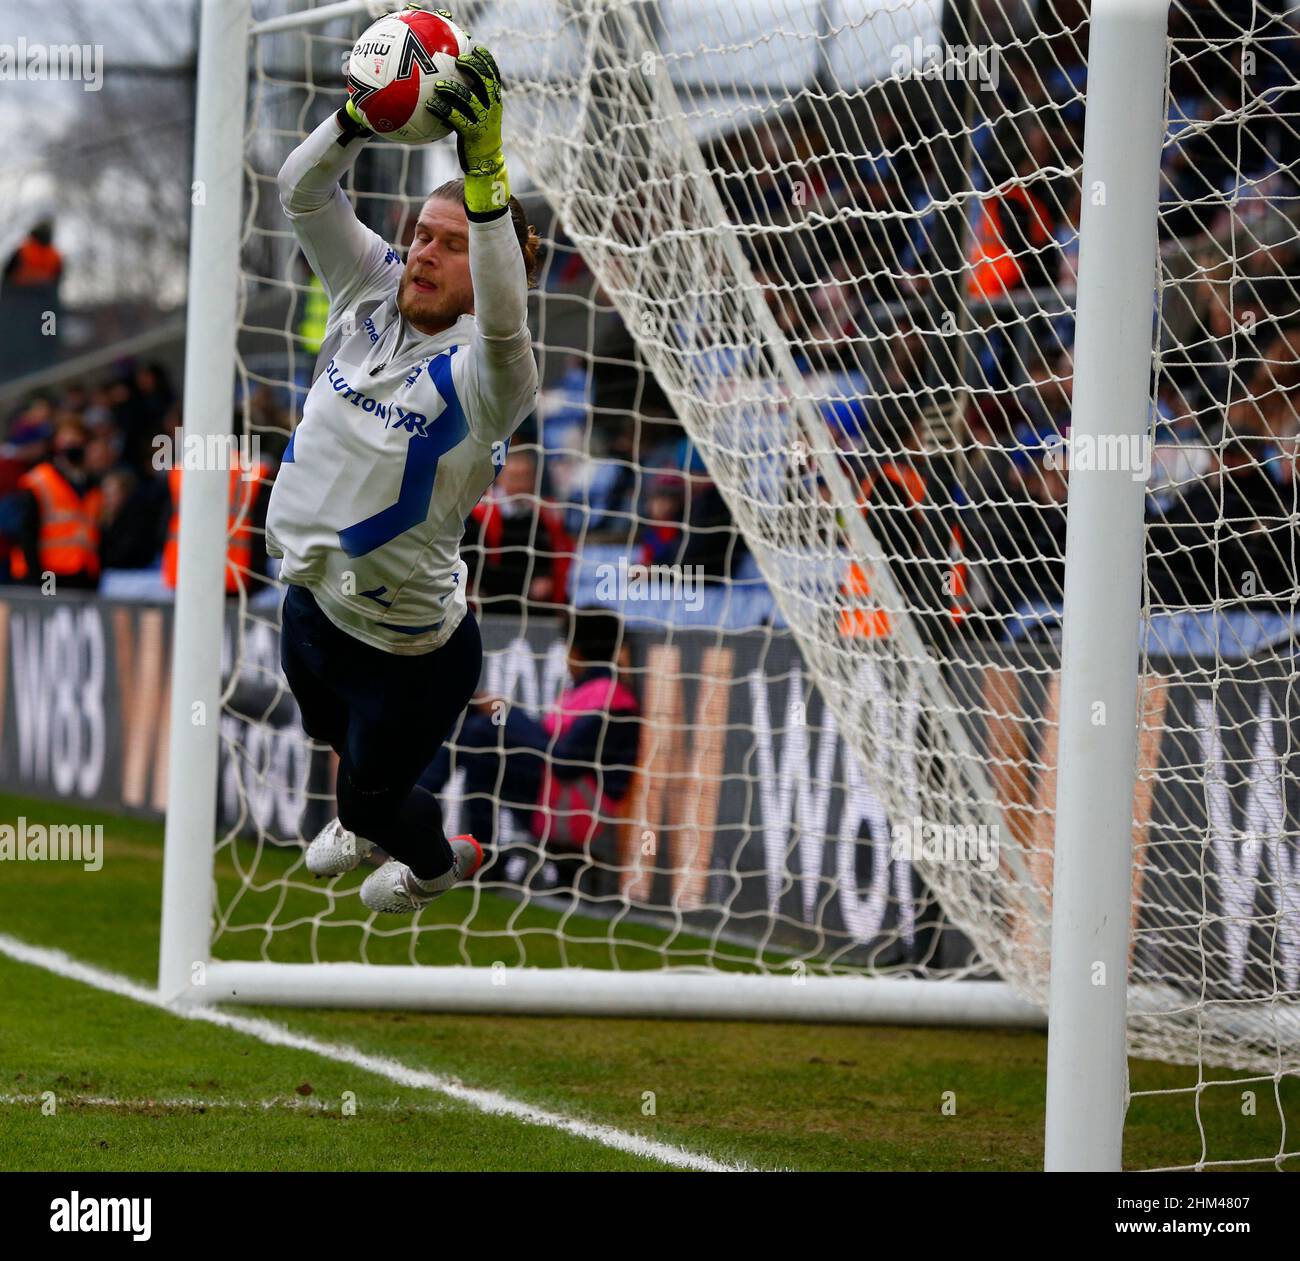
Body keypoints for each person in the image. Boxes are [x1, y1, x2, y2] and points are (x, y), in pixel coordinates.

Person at [266, 33, 540, 913]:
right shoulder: (367, 289)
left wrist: (487, 175)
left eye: (452, 245)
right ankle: (361, 816)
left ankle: (436, 866)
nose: (422, 252)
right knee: (329, 743)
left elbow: (503, 322)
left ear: (495, 267)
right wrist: (360, 115)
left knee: (374, 800)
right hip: (309, 602)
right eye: (421, 232)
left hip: (409, 649)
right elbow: (301, 190)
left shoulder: (495, 371)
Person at [425, 608, 640, 883]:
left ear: (575, 650)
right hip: (558, 797)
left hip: (578, 808)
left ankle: (412, 804)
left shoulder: (610, 697)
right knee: (480, 741)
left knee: (483, 727)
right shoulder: (591, 691)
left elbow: (565, 761)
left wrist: (509, 715)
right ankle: (483, 856)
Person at [2, 417, 102, 590]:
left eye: (79, 440)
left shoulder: (92, 486)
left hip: (82, 572)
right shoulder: (40, 480)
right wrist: (38, 579)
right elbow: (27, 534)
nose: (74, 445)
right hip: (48, 574)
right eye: (68, 440)